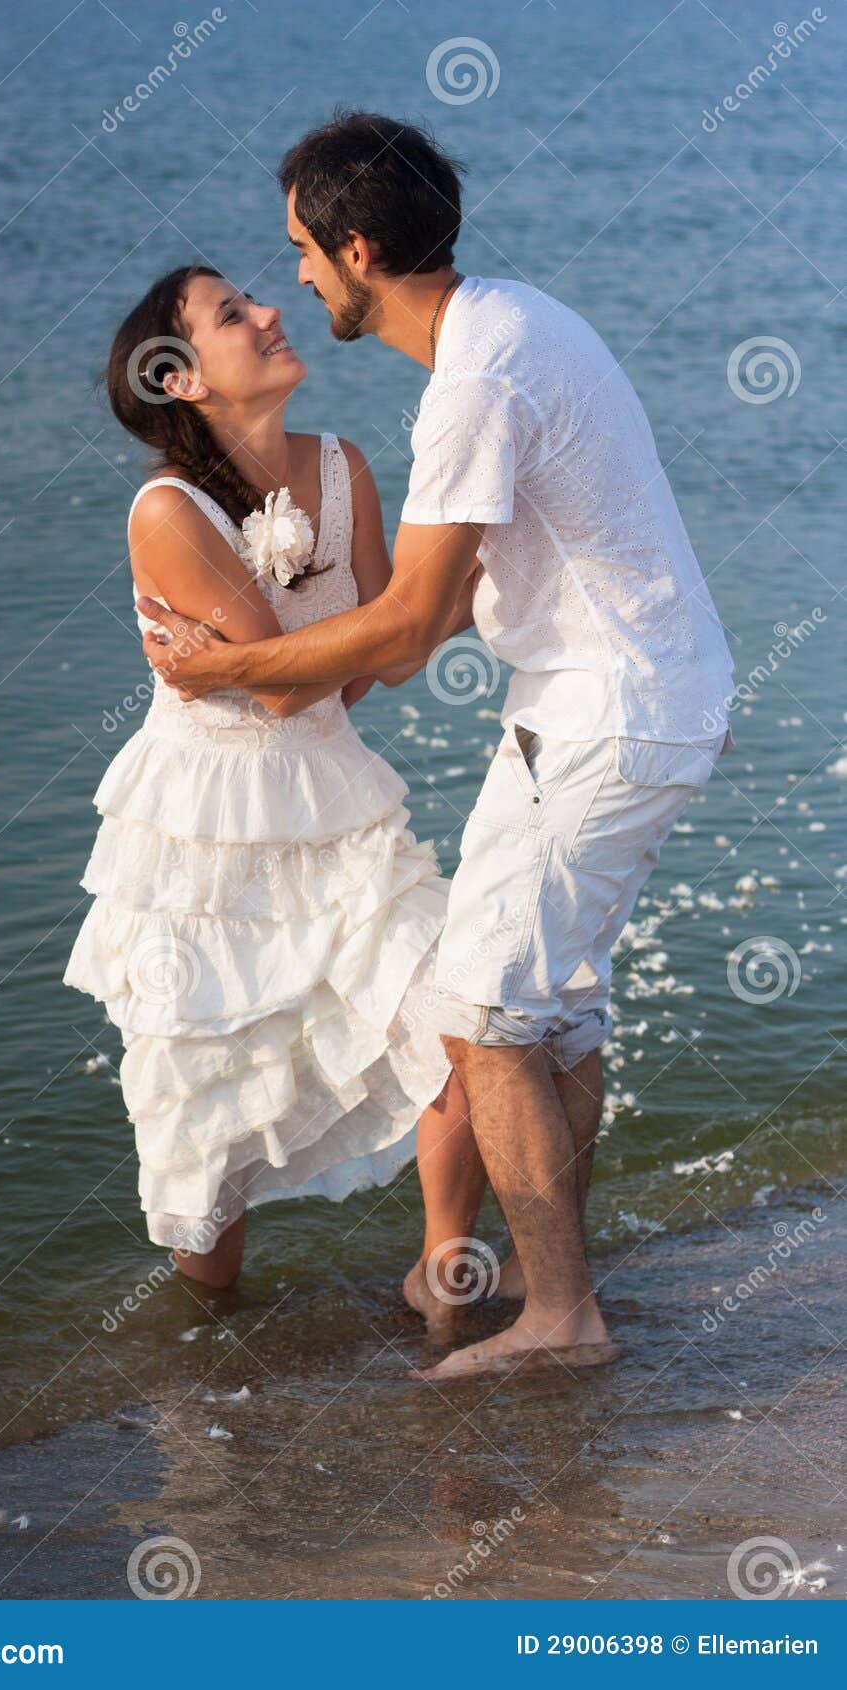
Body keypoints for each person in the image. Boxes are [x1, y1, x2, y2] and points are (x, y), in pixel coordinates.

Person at [138, 114, 735, 1378]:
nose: (295, 277)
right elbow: (423, 626)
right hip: (597, 705)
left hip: (606, 712)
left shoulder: (473, 381)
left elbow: (406, 620)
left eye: (302, 250)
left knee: (483, 1015)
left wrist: (223, 669)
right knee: (550, 1013)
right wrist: (346, 659)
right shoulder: (509, 322)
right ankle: (528, 1271)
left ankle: (559, 1319)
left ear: (357, 249)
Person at [64, 263, 486, 1305]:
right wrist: (406, 621)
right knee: (206, 1114)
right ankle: (205, 1341)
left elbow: (378, 658)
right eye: (230, 315)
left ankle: (444, 1272)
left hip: (335, 804)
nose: (269, 313)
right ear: (180, 378)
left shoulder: (341, 467)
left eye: (255, 297)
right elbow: (291, 692)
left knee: (455, 1021)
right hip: (200, 834)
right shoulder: (164, 513)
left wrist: (476, 585)